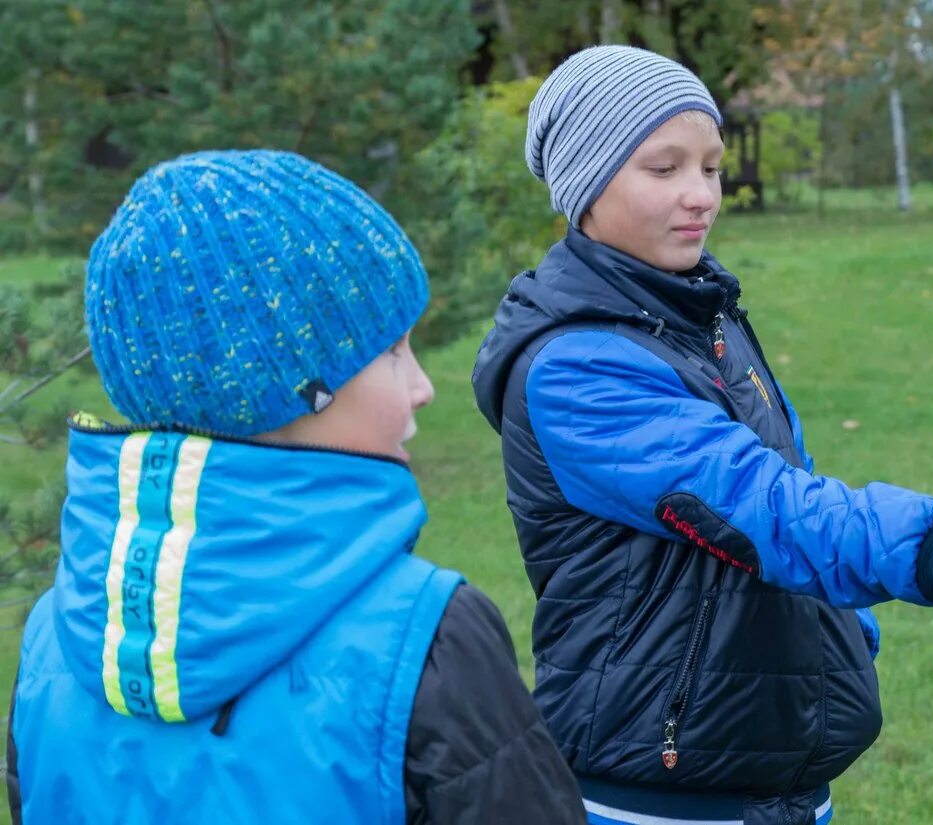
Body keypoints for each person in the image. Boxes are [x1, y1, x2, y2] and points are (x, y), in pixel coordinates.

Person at [471, 46, 933, 824]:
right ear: (586, 183)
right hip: (657, 798)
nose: (701, 196)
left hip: (777, 778)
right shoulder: (578, 367)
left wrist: (845, 638)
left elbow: (792, 472)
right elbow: (764, 507)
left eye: (712, 168)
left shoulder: (701, 315)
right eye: (664, 169)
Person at [7, 150, 585, 824]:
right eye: (393, 351)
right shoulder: (427, 634)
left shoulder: (57, 634)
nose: (424, 385)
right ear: (297, 389)